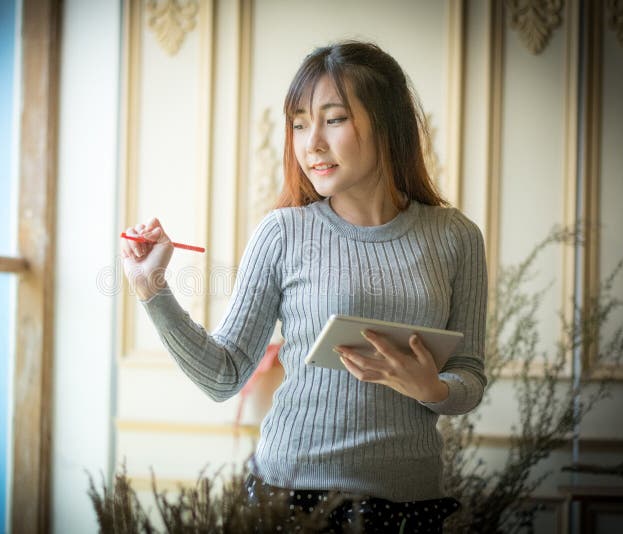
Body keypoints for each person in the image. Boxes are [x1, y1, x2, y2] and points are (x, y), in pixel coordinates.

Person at [121, 40, 487, 533]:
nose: (310, 142)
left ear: (389, 125)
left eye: (333, 119)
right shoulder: (282, 232)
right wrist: (152, 290)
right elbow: (223, 375)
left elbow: (470, 377)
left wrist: (434, 388)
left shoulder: (456, 236)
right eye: (298, 123)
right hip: (291, 495)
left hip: (411, 504)